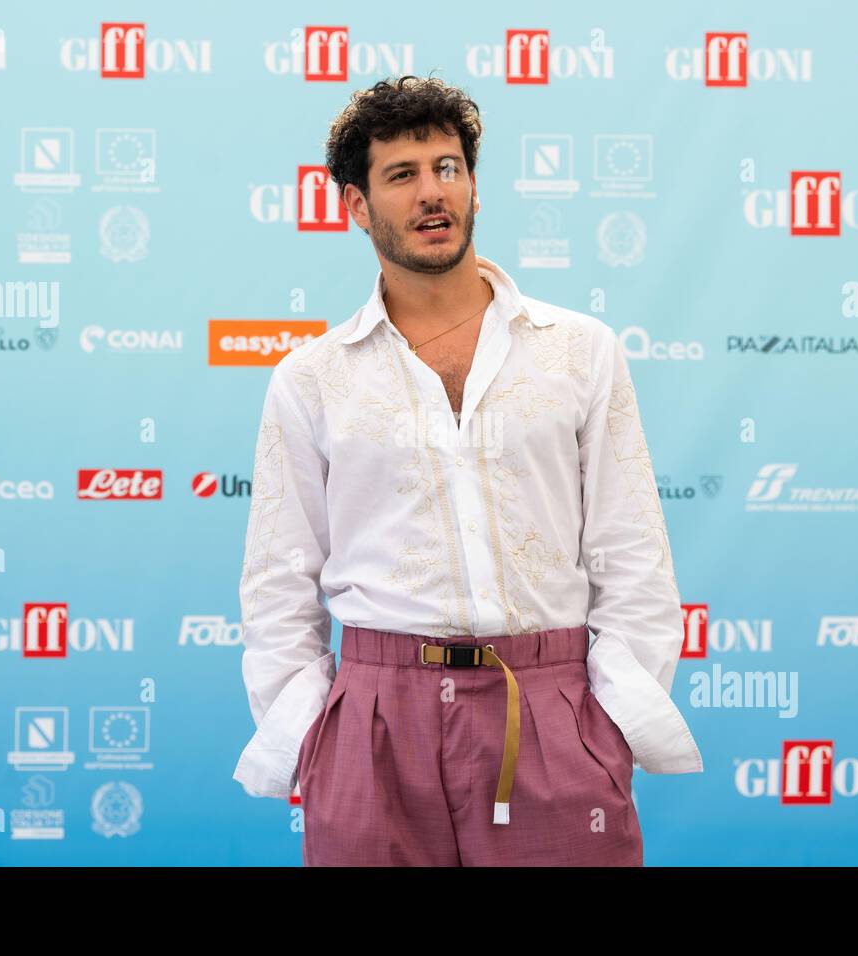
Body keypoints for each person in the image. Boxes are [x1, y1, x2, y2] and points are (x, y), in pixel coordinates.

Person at [233, 74, 701, 866]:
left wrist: (605, 726)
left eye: (448, 167)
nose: (431, 193)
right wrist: (319, 739)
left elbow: (634, 555)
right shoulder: (311, 378)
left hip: (549, 712)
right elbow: (279, 579)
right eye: (402, 175)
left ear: (475, 185)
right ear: (355, 204)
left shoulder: (580, 351)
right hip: (374, 721)